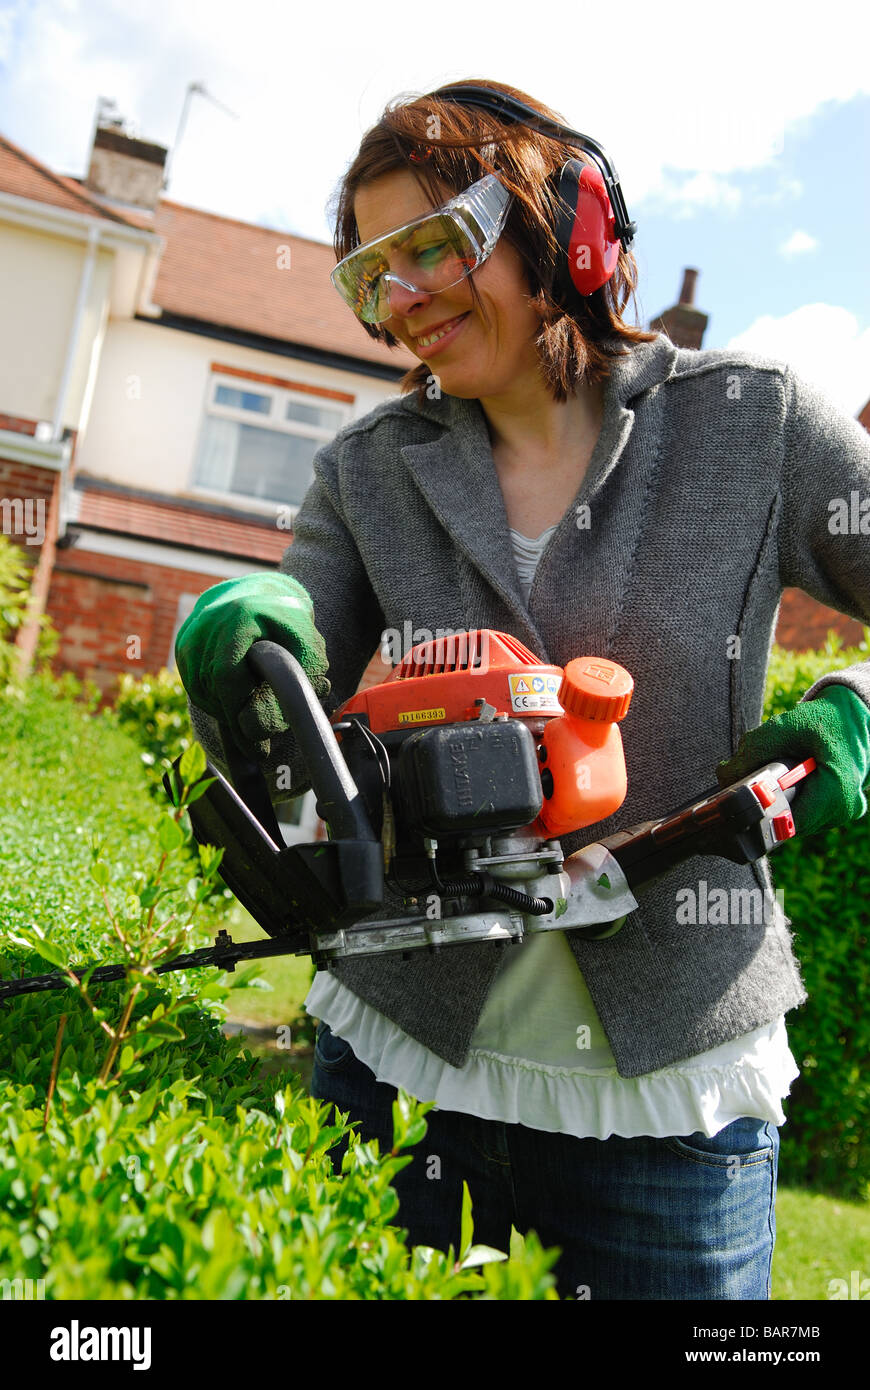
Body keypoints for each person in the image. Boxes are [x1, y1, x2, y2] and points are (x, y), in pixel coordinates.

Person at [175, 79, 870, 1301]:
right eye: (371, 278)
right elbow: (291, 679)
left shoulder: (755, 427)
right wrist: (249, 639)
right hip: (401, 1064)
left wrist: (856, 711)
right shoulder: (367, 475)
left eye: (433, 247)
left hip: (675, 1099)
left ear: (567, 225)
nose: (403, 299)